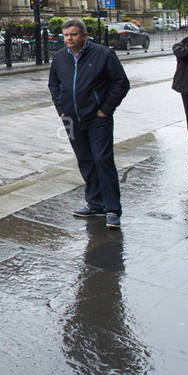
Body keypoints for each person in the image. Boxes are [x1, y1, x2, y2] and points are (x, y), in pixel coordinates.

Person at [48, 18, 131, 229]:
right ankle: (95, 204)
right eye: (66, 35)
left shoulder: (103, 54)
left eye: (73, 35)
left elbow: (121, 83)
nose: (69, 39)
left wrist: (105, 110)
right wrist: (62, 110)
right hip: (71, 118)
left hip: (97, 118)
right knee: (85, 160)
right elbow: (54, 84)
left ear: (84, 35)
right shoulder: (59, 58)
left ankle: (112, 209)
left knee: (102, 160)